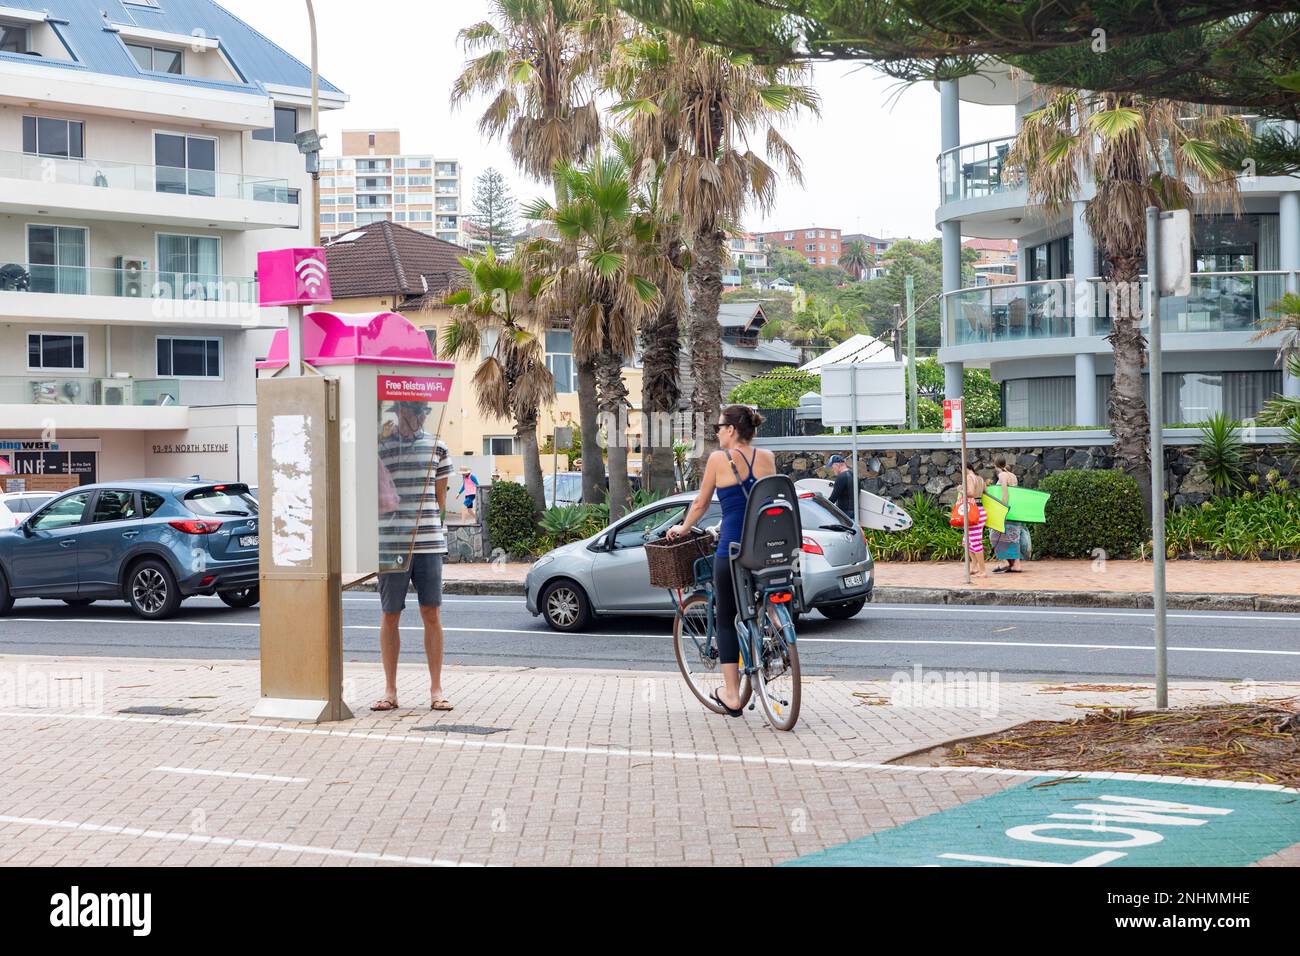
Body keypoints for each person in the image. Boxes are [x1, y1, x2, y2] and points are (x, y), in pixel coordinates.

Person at [667, 405, 774, 717]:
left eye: (719, 426)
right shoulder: (767, 458)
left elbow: (700, 503)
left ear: (731, 430)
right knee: (760, 602)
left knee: (725, 617)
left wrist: (682, 527)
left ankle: (731, 695)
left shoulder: (718, 459)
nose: (716, 432)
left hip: (732, 549)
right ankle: (778, 635)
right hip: (764, 549)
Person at [372, 400, 454, 712]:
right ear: (400, 412)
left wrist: (436, 526)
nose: (419, 417)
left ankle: (437, 689)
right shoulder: (381, 447)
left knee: (431, 612)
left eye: (423, 412)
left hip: (429, 543)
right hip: (391, 543)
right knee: (390, 614)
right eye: (414, 411)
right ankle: (390, 690)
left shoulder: (438, 447)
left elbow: (441, 497)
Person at [988, 455, 1023, 574]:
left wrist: (1001, 510)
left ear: (995, 464)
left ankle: (1004, 561)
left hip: (1006, 510)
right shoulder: (1012, 475)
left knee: (995, 535)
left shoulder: (1002, 475)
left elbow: (1005, 495)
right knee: (1014, 537)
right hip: (1015, 510)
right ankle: (1016, 564)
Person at [963, 463, 988, 577]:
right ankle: (974, 566)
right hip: (981, 510)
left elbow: (971, 493)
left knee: (975, 542)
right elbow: (985, 492)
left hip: (974, 512)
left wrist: (961, 491)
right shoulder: (980, 479)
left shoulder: (969, 477)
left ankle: (982, 571)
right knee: (966, 541)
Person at [826, 454, 856, 523]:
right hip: (854, 514)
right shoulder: (853, 475)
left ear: (837, 465)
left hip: (845, 515)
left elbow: (833, 498)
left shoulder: (841, 477)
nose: (832, 469)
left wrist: (823, 507)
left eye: (832, 466)